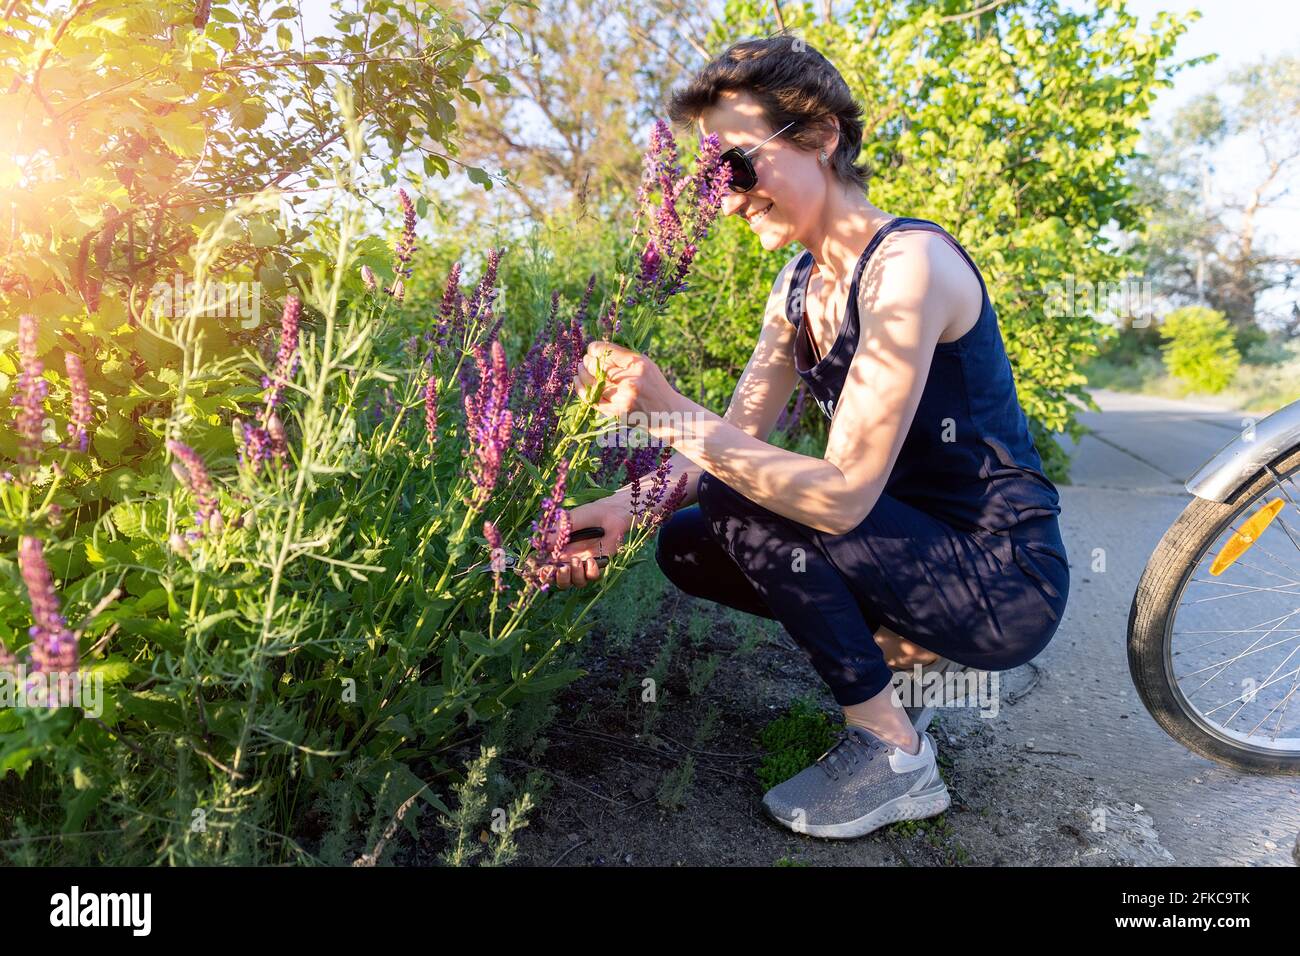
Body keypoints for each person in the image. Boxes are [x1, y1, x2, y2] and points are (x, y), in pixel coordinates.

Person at [551, 34, 1070, 840]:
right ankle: (908, 649)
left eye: (734, 167)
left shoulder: (911, 267)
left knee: (738, 490)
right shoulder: (797, 285)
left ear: (822, 136)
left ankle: (896, 755)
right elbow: (736, 433)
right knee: (687, 541)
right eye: (705, 179)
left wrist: (665, 407)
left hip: (1003, 577)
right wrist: (627, 506)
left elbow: (839, 494)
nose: (722, 199)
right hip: (913, 554)